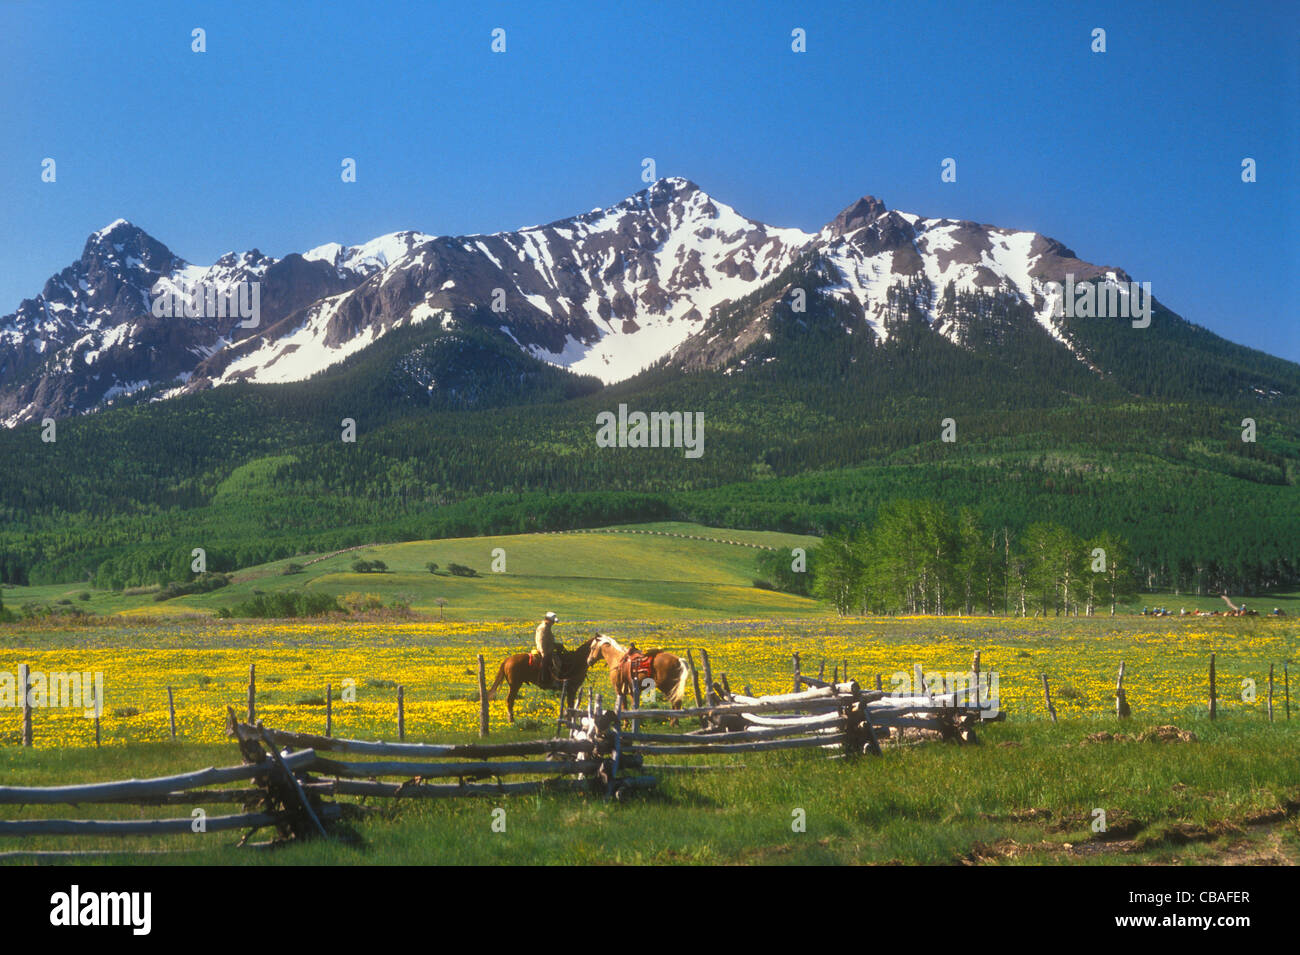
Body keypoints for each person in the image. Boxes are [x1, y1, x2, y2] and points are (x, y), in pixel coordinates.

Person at [534, 611, 561, 688]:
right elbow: (541, 641)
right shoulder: (543, 628)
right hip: (545, 650)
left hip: (548, 649)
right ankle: (553, 682)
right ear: (548, 620)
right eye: (553, 621)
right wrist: (544, 653)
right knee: (557, 663)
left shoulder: (547, 627)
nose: (553, 623)